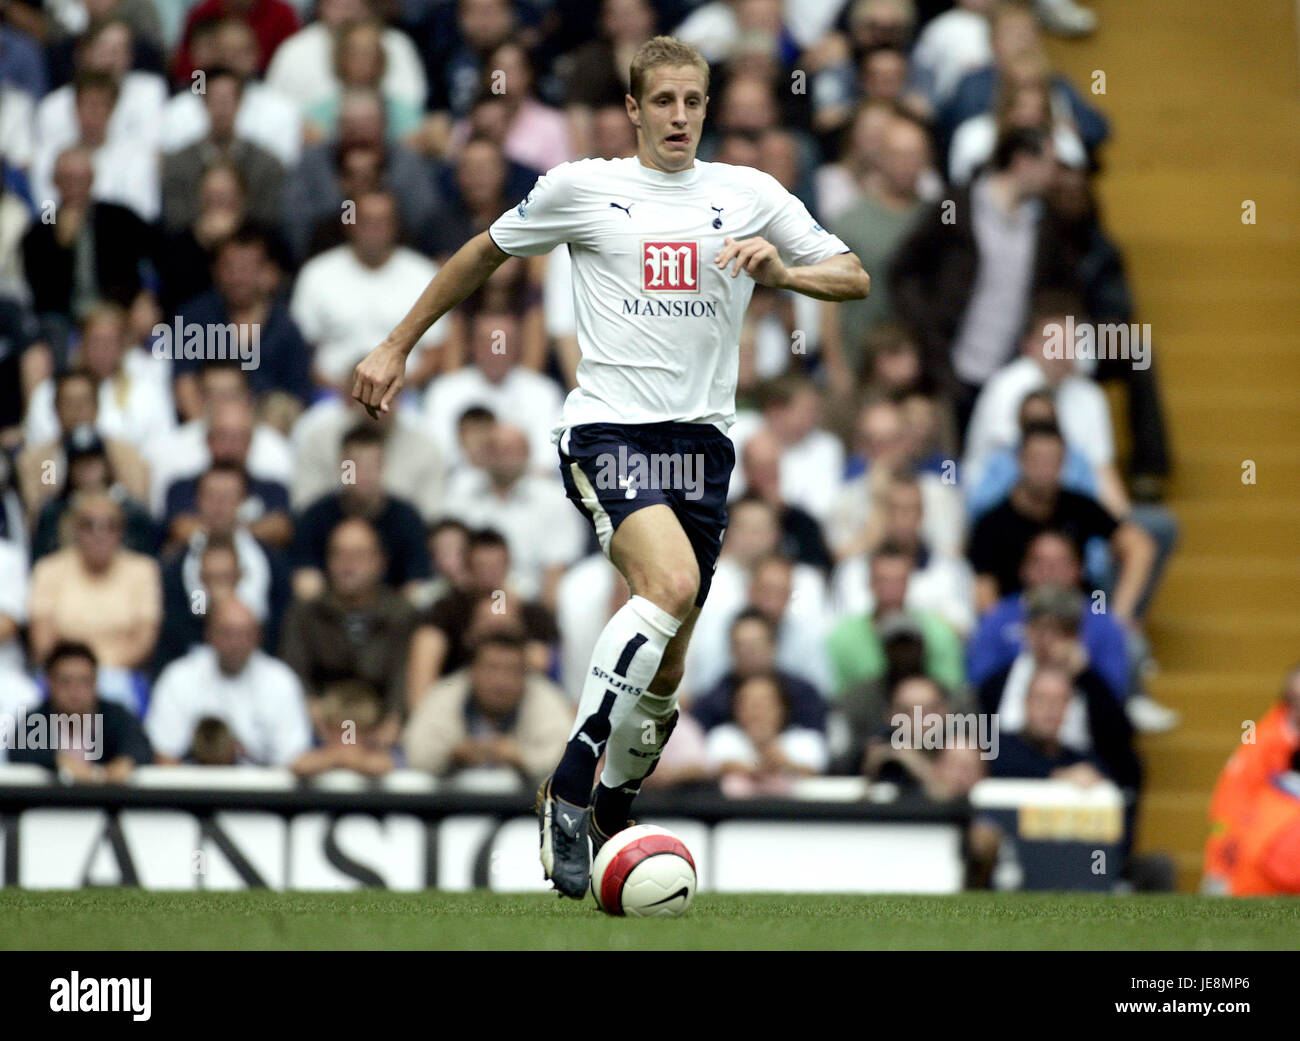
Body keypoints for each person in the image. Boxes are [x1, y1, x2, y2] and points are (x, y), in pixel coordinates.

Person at [351, 35, 869, 897]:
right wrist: (398, 343)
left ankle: (615, 806)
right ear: (632, 108)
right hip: (610, 430)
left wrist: (784, 274)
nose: (678, 117)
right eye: (661, 101)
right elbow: (483, 252)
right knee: (664, 587)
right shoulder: (583, 189)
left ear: (707, 108)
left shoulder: (750, 194)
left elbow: (850, 276)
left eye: (692, 102)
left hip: (704, 446)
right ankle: (571, 780)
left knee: (669, 667)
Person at [147, 595, 311, 766]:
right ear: (208, 634)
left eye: (244, 633)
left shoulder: (281, 681)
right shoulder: (179, 677)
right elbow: (164, 755)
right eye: (227, 633)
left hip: (260, 789)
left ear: (258, 636)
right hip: (193, 787)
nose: (236, 643)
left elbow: (293, 758)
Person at [10, 641, 152, 781]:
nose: (75, 691)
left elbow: (140, 746)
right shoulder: (34, 719)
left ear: (96, 681)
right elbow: (19, 751)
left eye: (84, 681)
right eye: (66, 682)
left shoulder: (116, 715)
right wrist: (57, 761)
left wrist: (125, 761)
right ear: (49, 682)